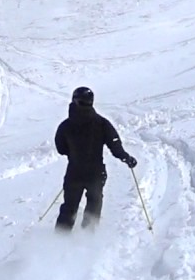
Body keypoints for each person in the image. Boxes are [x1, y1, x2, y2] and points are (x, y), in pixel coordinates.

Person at [54, 86, 136, 232]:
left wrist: (74, 153)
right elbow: (115, 145)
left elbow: (61, 149)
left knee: (69, 206)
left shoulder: (65, 126)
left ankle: (60, 238)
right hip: (95, 173)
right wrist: (126, 158)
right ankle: (88, 239)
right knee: (94, 204)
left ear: (74, 101)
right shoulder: (102, 123)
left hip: (74, 173)